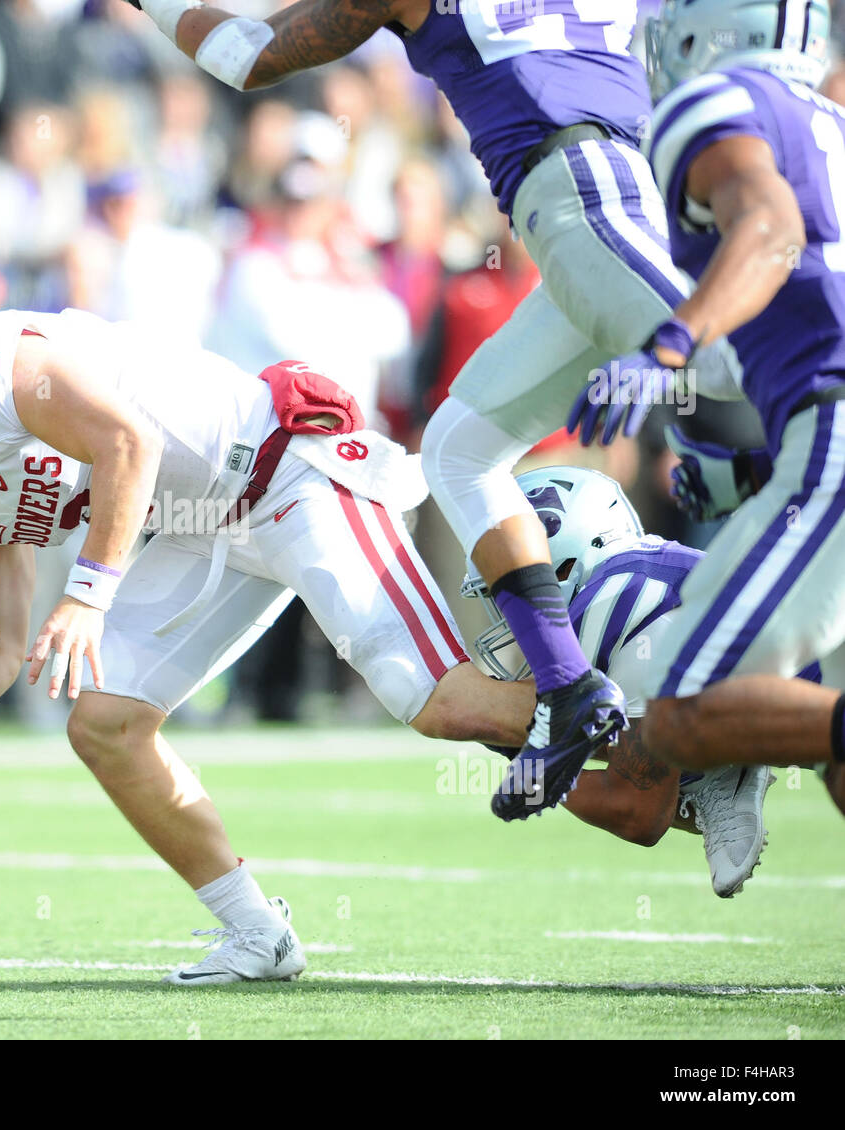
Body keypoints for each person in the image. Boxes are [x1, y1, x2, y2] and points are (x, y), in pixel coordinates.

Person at [0, 309, 543, 985]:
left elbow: (127, 442)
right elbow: (3, 647)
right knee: (103, 725)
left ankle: (628, 723)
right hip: (198, 528)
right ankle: (256, 932)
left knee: (438, 702)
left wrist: (85, 595)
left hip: (282, 469)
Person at [122, 0, 744, 821]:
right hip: (610, 199)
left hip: (583, 191)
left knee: (739, 365)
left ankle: (744, 688)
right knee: (458, 449)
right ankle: (568, 689)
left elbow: (245, 55)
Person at [565, 0, 845, 820]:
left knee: (683, 711)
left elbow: (771, 227)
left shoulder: (717, 102)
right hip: (815, 429)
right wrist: (765, 468)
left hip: (832, 423)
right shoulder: (830, 121)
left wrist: (668, 347)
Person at [464, 466, 775, 897]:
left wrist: (527, 761)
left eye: (509, 591)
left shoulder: (617, 602)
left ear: (561, 562)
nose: (510, 614)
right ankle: (712, 771)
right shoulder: (645, 574)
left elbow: (638, 813)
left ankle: (711, 772)